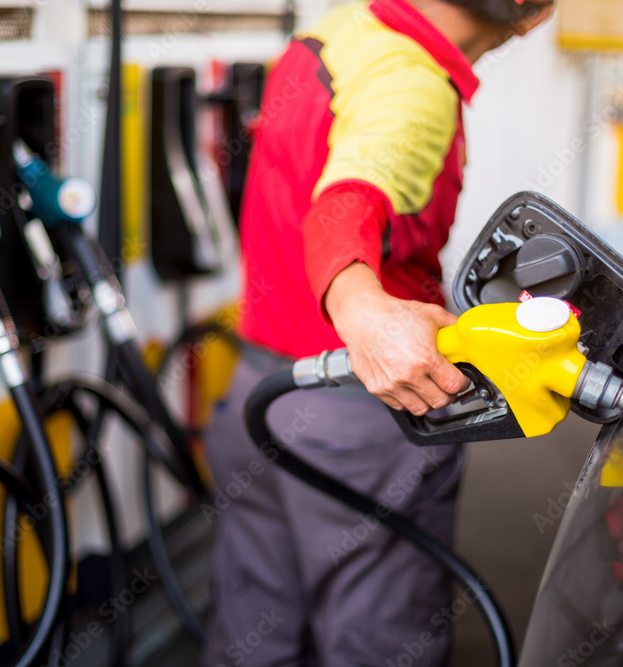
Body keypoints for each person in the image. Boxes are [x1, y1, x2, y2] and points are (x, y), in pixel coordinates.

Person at [203, 1, 553, 665]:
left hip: (261, 392)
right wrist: (362, 308)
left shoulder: (343, 28)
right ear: (535, 19)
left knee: (255, 635)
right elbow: (348, 202)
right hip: (360, 420)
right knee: (381, 642)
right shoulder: (414, 84)